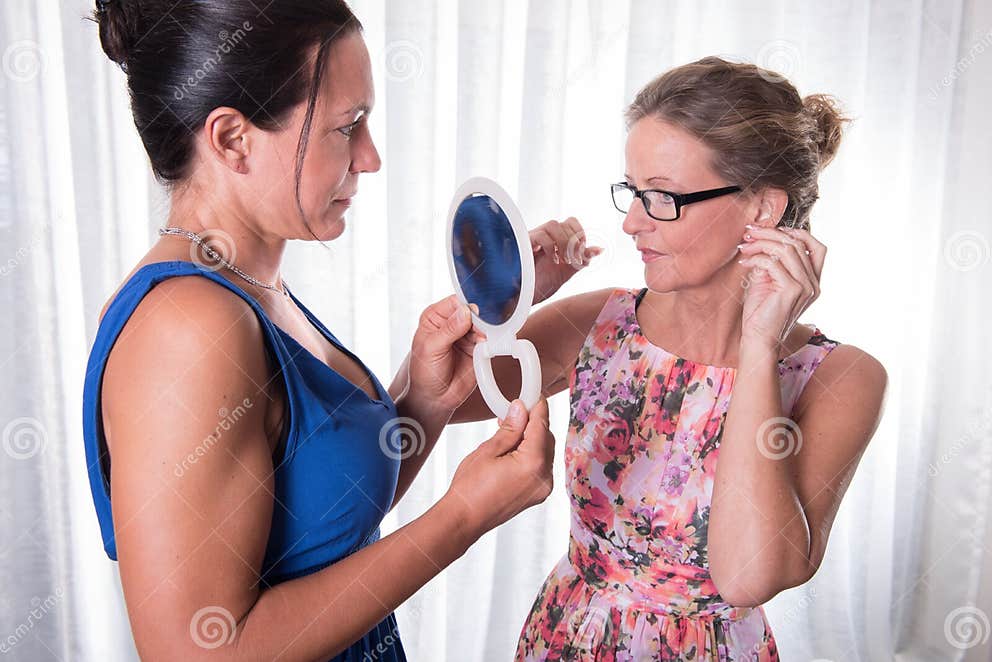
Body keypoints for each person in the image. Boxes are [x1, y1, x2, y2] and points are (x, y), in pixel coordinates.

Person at [80, 2, 579, 660]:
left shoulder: (249, 289)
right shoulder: (187, 328)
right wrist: (463, 517)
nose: (370, 158)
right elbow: (198, 653)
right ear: (232, 140)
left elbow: (318, 531)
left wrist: (424, 400)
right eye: (348, 126)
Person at [446, 57, 888, 660]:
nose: (631, 223)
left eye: (661, 197)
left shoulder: (842, 380)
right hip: (564, 638)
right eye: (633, 192)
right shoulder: (602, 322)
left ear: (762, 209)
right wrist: (504, 300)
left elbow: (746, 577)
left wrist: (759, 344)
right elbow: (431, 404)